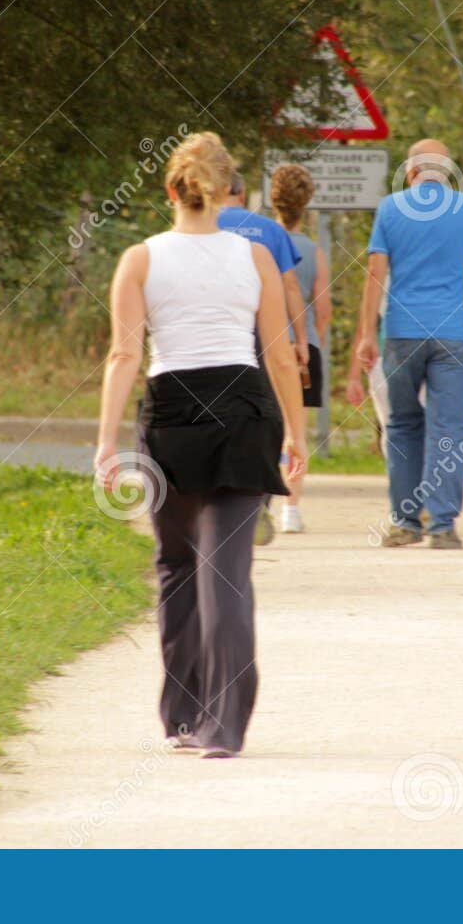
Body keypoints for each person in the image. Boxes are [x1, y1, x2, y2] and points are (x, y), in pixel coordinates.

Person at [96, 132, 306, 759]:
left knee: (177, 567)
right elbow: (278, 354)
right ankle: (226, 728)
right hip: (244, 411)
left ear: (171, 190)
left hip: (171, 417)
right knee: (228, 575)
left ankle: (182, 717)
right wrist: (295, 433)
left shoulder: (140, 259)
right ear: (226, 192)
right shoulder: (256, 258)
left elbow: (124, 353)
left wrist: (106, 445)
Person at [355, 139, 463, 548]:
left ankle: (406, 522)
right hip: (454, 335)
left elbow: (375, 273)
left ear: (412, 171)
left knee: (401, 424)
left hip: (401, 332)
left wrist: (367, 333)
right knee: (448, 428)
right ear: (447, 173)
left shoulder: (390, 208)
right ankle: (443, 527)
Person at [217, 169, 310, 543]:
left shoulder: (201, 226)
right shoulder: (270, 230)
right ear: (242, 193)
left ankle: (225, 501)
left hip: (217, 336)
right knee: (265, 415)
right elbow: (289, 284)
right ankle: (258, 502)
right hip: (264, 336)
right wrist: (300, 337)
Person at [268, 163, 332, 533]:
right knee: (297, 427)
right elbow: (322, 308)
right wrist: (314, 341)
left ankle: (259, 501)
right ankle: (291, 509)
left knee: (265, 426)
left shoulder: (257, 241)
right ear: (305, 204)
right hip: (302, 346)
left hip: (264, 346)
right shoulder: (313, 251)